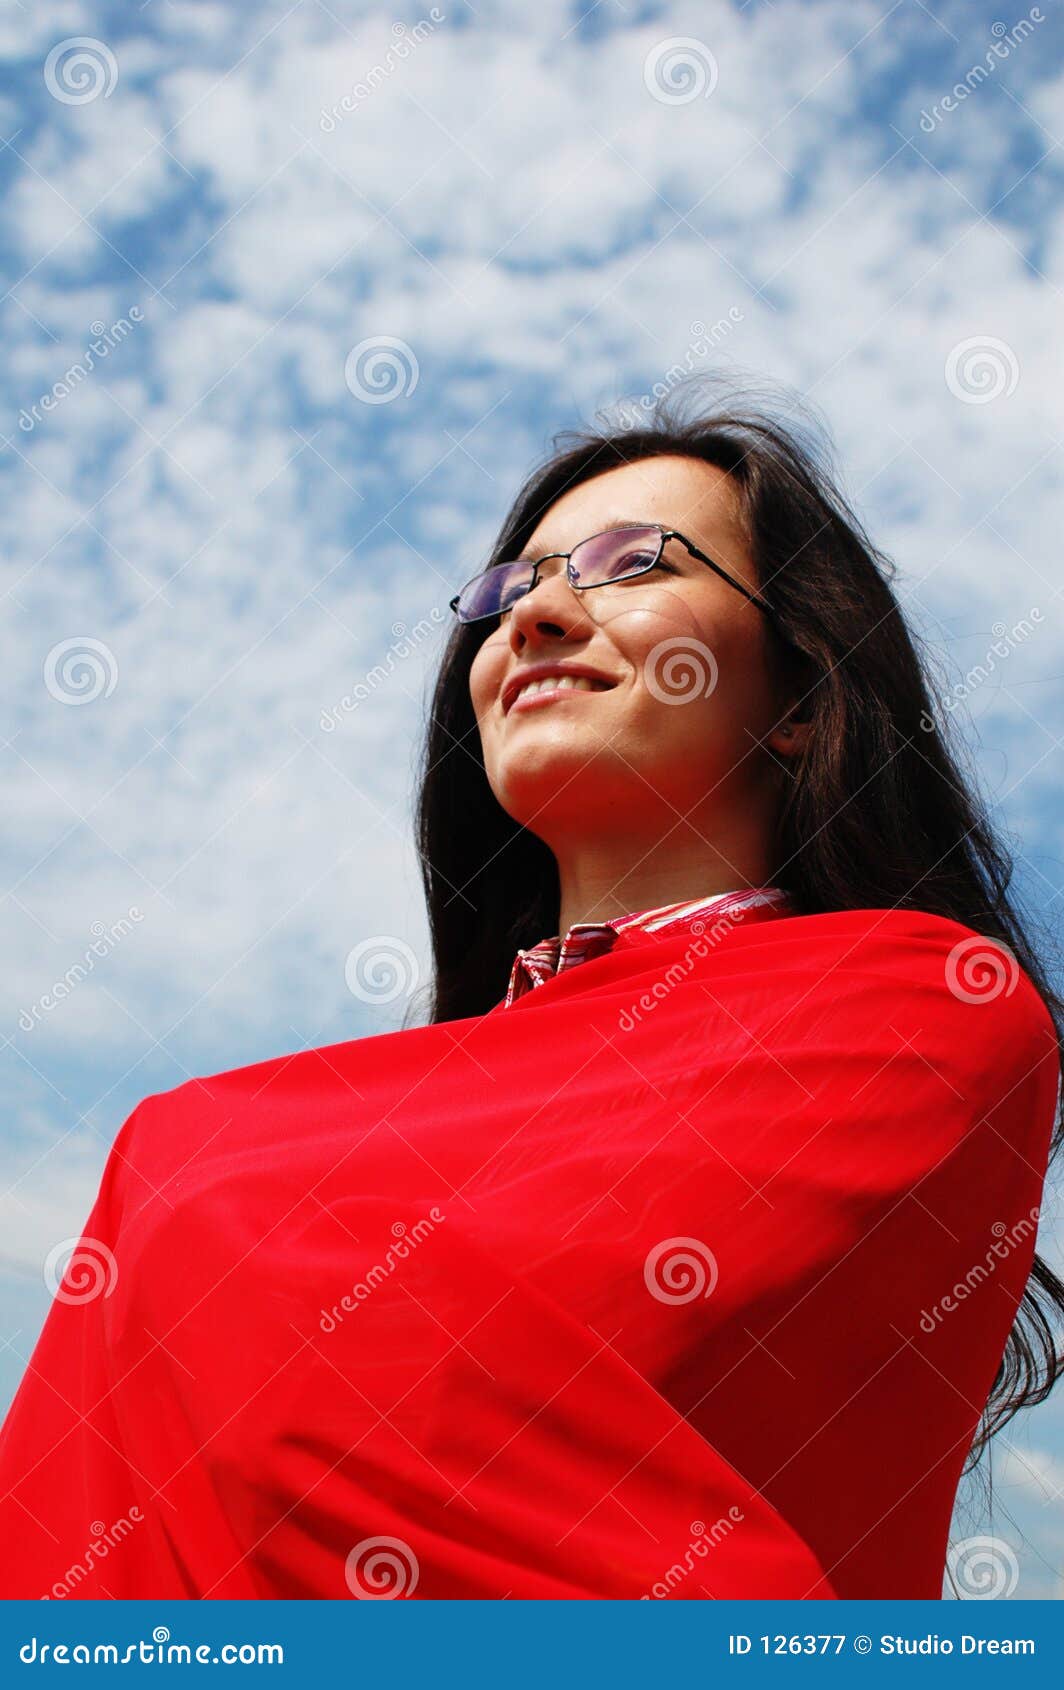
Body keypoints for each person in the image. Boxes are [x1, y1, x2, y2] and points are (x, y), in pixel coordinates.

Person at [0, 380, 1060, 1601]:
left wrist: (192, 1168)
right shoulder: (373, 1113)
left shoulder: (927, 999)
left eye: (629, 564)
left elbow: (413, 1376)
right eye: (508, 588)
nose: (537, 615)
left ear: (798, 698)